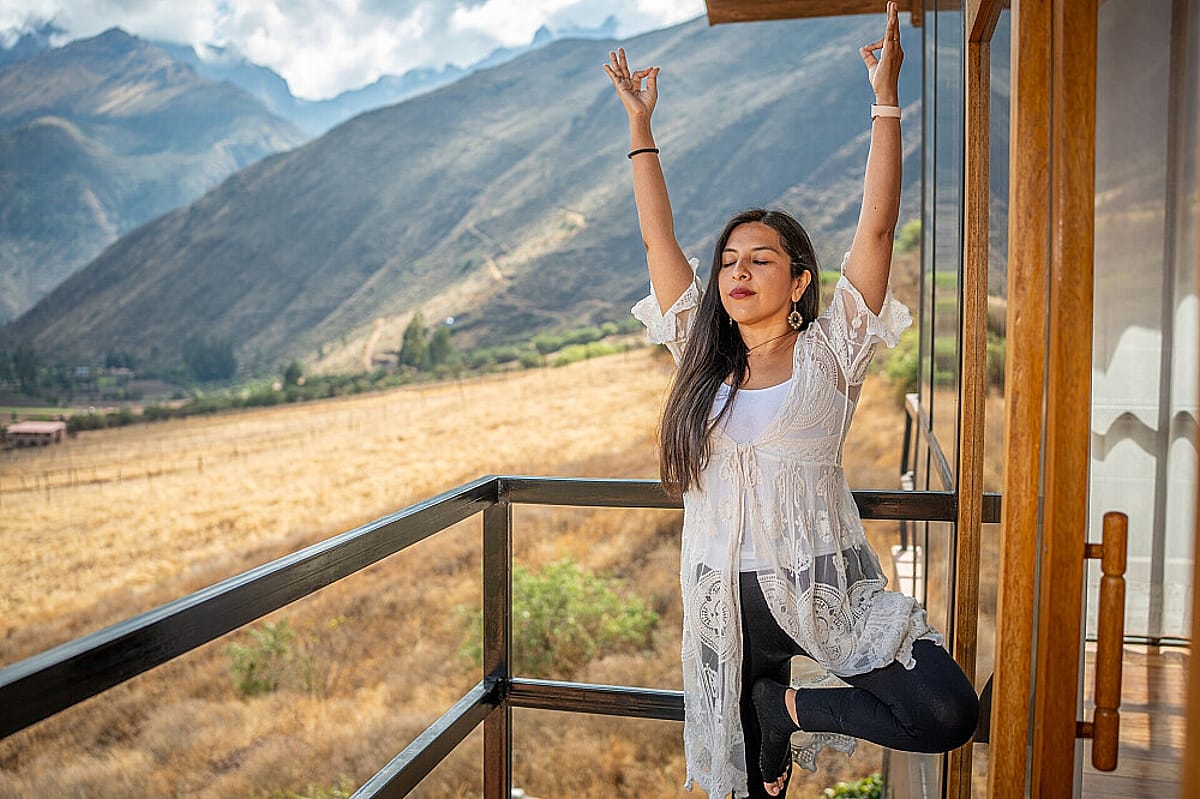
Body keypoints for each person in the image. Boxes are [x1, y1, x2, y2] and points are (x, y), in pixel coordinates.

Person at [603, 3, 979, 797]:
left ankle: (789, 709)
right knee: (745, 792)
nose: (738, 271)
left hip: (823, 598)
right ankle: (767, 714)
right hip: (723, 616)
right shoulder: (697, 357)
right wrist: (641, 127)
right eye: (730, 259)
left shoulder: (831, 356)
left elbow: (875, 234)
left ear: (800, 280)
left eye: (761, 259)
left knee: (944, 711)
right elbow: (656, 244)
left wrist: (885, 98)